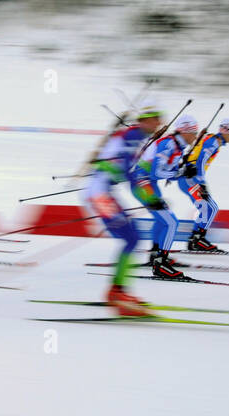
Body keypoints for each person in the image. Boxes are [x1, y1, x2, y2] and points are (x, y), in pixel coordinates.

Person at [81, 106, 163, 316]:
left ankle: (117, 292)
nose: (159, 124)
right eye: (155, 120)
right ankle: (118, 294)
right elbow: (127, 169)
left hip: (102, 191)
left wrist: (150, 198)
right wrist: (149, 199)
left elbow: (122, 168)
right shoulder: (134, 135)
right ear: (144, 121)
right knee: (132, 239)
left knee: (132, 238)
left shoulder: (134, 136)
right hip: (99, 193)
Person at [133, 114, 199, 279]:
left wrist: (183, 171)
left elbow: (168, 172)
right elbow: (157, 172)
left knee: (162, 220)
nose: (196, 136)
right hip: (143, 185)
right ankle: (161, 264)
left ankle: (156, 256)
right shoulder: (169, 144)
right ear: (185, 131)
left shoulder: (177, 145)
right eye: (194, 132)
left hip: (149, 185)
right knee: (171, 222)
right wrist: (180, 172)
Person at [177, 118, 229, 252]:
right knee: (210, 208)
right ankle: (197, 240)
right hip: (190, 179)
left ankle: (196, 239)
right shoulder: (214, 142)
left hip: (188, 178)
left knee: (209, 208)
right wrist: (201, 183)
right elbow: (200, 162)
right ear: (226, 131)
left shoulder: (213, 140)